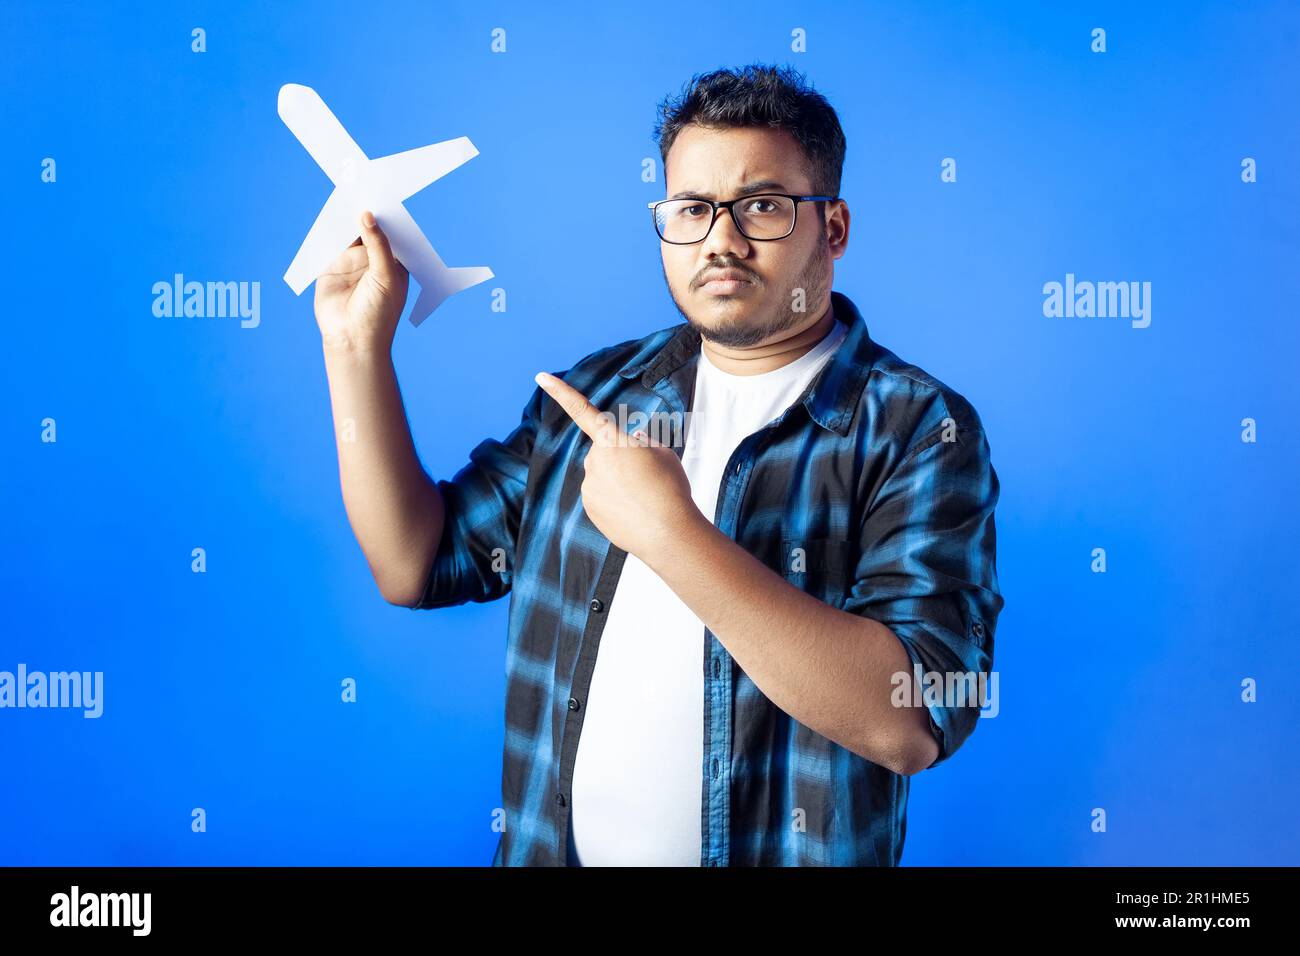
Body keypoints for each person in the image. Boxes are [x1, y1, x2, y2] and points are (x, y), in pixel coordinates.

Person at [315, 63, 1003, 866]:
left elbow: (913, 717)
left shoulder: (917, 426)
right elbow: (415, 563)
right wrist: (355, 346)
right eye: (692, 209)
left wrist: (670, 533)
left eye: (764, 207)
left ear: (835, 229)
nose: (722, 239)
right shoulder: (595, 396)